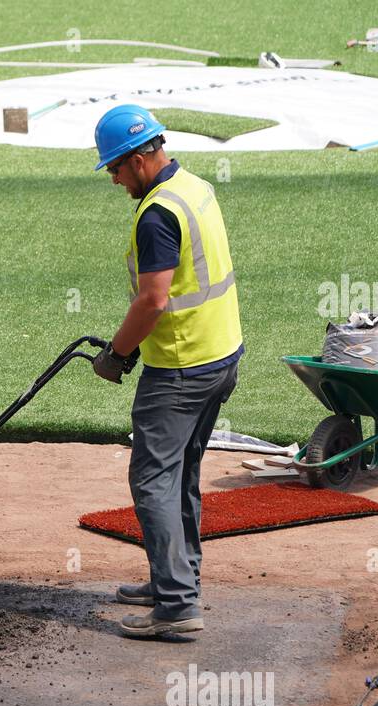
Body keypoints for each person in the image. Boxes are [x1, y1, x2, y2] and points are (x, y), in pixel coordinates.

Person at [90, 105, 243, 639]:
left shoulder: (157, 214)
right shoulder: (195, 186)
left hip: (181, 366)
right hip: (222, 355)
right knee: (183, 475)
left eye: (113, 168)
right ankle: (174, 579)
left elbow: (153, 300)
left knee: (153, 479)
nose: (112, 178)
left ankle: (176, 606)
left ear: (137, 160)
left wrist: (117, 354)